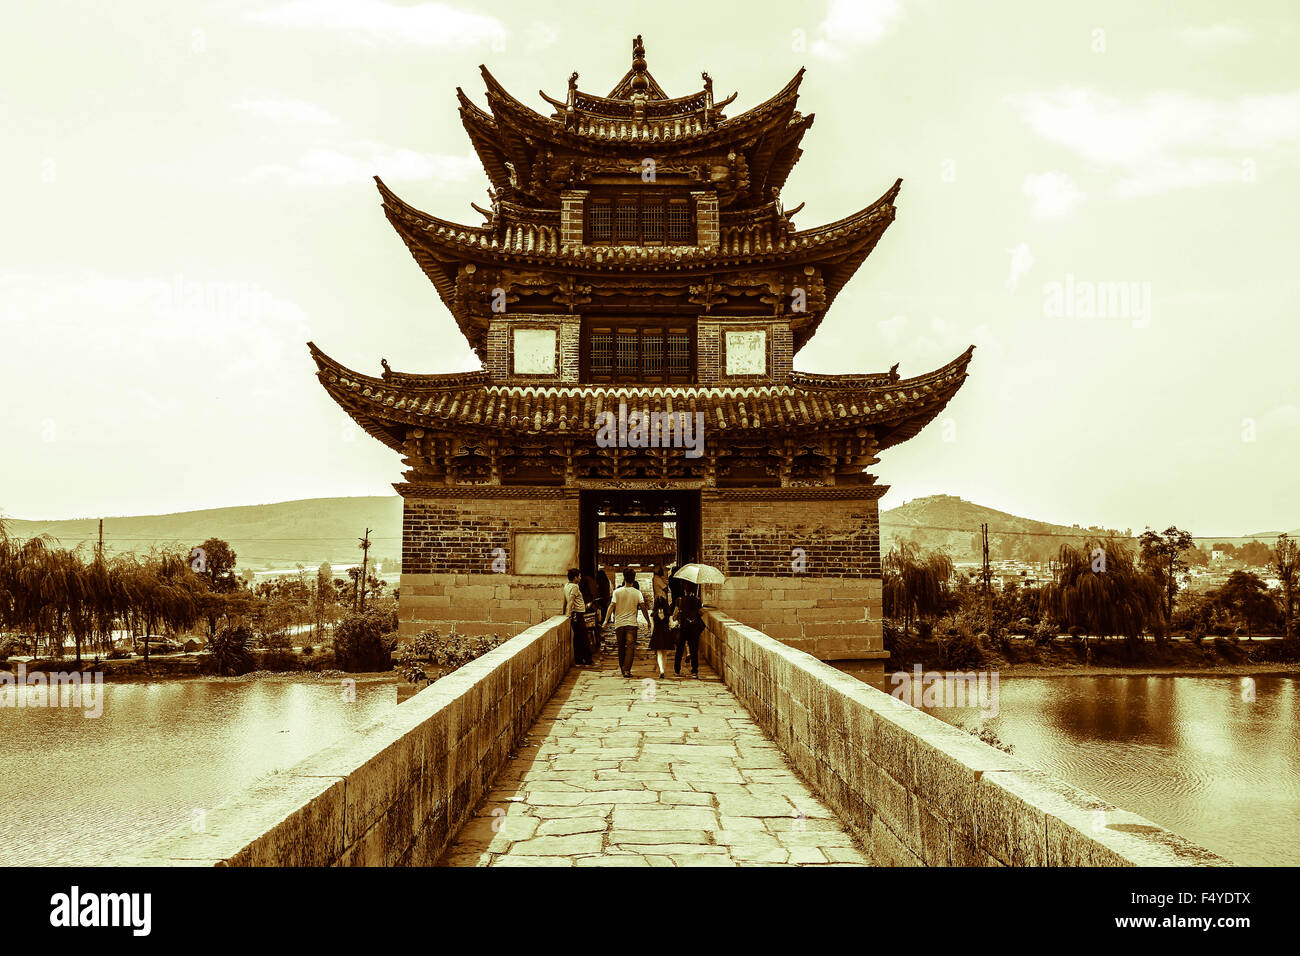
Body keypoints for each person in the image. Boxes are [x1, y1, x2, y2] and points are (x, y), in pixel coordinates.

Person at [605, 568, 651, 678]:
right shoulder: (637, 593)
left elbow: (611, 606)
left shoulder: (617, 592)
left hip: (619, 624)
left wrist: (606, 620)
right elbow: (643, 608)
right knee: (630, 647)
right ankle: (627, 670)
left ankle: (623, 668)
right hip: (631, 624)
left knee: (621, 646)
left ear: (624, 578)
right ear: (634, 579)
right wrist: (648, 620)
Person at [562, 568, 592, 666]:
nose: (580, 578)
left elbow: (565, 601)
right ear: (575, 577)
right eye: (579, 576)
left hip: (575, 613)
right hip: (577, 614)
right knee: (583, 637)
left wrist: (565, 612)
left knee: (577, 638)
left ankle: (578, 659)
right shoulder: (575, 587)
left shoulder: (566, 586)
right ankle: (587, 659)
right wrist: (569, 614)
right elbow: (570, 601)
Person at [674, 581, 704, 677]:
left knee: (679, 649)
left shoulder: (679, 600)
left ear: (684, 590)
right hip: (694, 627)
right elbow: (701, 613)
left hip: (683, 627)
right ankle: (694, 670)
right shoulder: (697, 601)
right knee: (694, 649)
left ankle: (677, 669)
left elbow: (675, 615)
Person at [648, 593, 676, 680]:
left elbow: (652, 626)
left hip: (657, 633)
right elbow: (671, 625)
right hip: (666, 633)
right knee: (665, 653)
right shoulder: (668, 614)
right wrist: (677, 622)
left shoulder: (653, 614)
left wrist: (652, 635)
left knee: (659, 653)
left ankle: (661, 671)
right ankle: (663, 669)